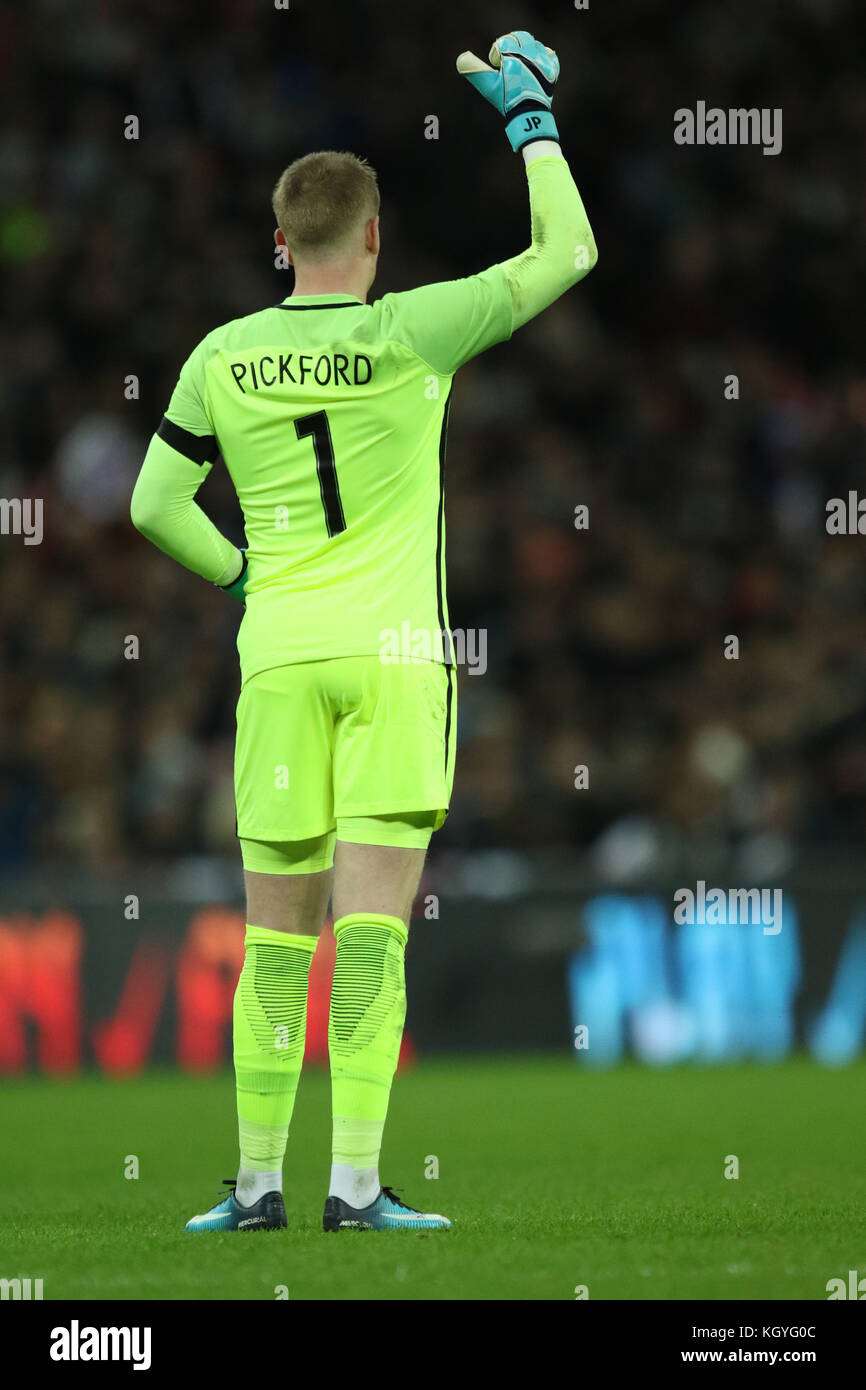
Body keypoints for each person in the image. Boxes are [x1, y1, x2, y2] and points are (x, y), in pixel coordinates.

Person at [130, 29, 597, 1233]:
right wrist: (528, 120)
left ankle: (250, 1189)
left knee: (276, 942)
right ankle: (351, 1188)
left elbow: (149, 505)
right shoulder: (414, 330)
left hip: (279, 655)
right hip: (394, 665)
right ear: (374, 238)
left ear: (279, 243)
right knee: (373, 933)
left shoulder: (220, 356)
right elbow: (571, 250)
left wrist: (244, 578)